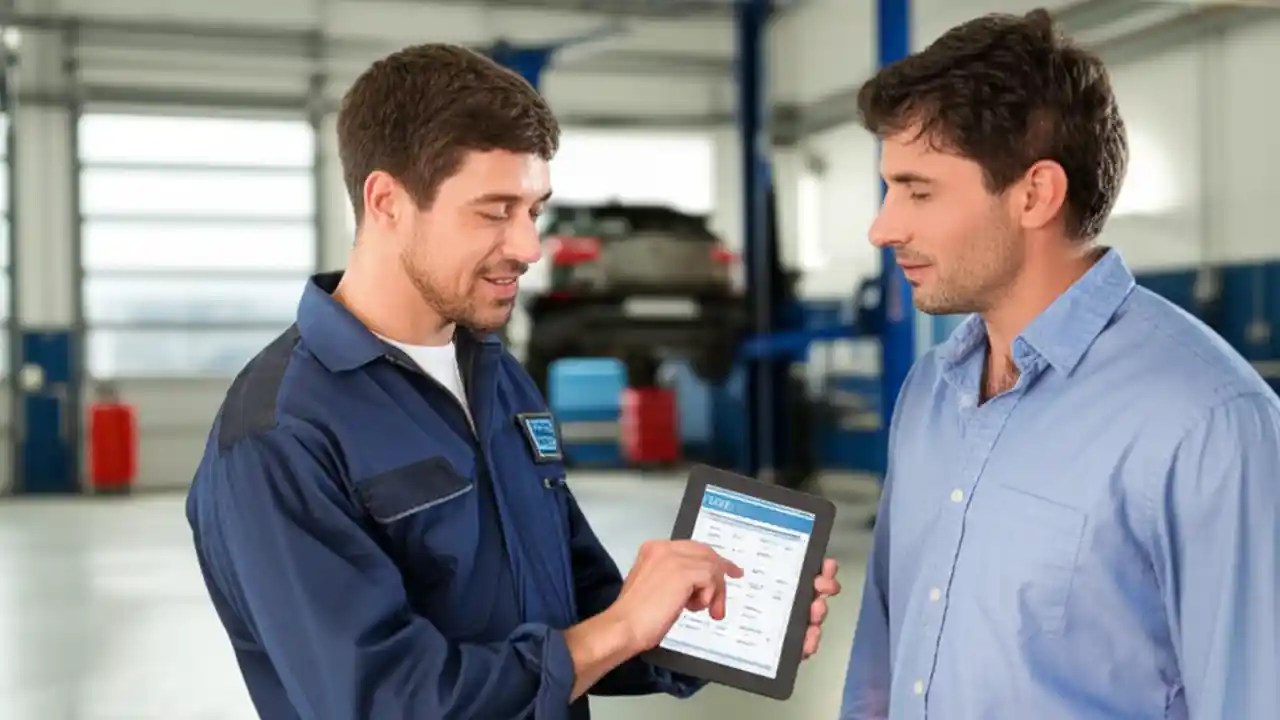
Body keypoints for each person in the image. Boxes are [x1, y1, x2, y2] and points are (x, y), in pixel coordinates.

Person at [185, 44, 841, 720]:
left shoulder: (497, 376)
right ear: (387, 201)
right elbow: (388, 701)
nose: (530, 247)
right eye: (496, 211)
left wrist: (702, 623)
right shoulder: (279, 434)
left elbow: (574, 611)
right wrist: (617, 630)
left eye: (535, 210)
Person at [840, 9, 1278, 720]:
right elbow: (881, 669)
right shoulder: (930, 392)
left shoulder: (1209, 424)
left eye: (919, 191)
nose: (884, 227)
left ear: (1035, 194)